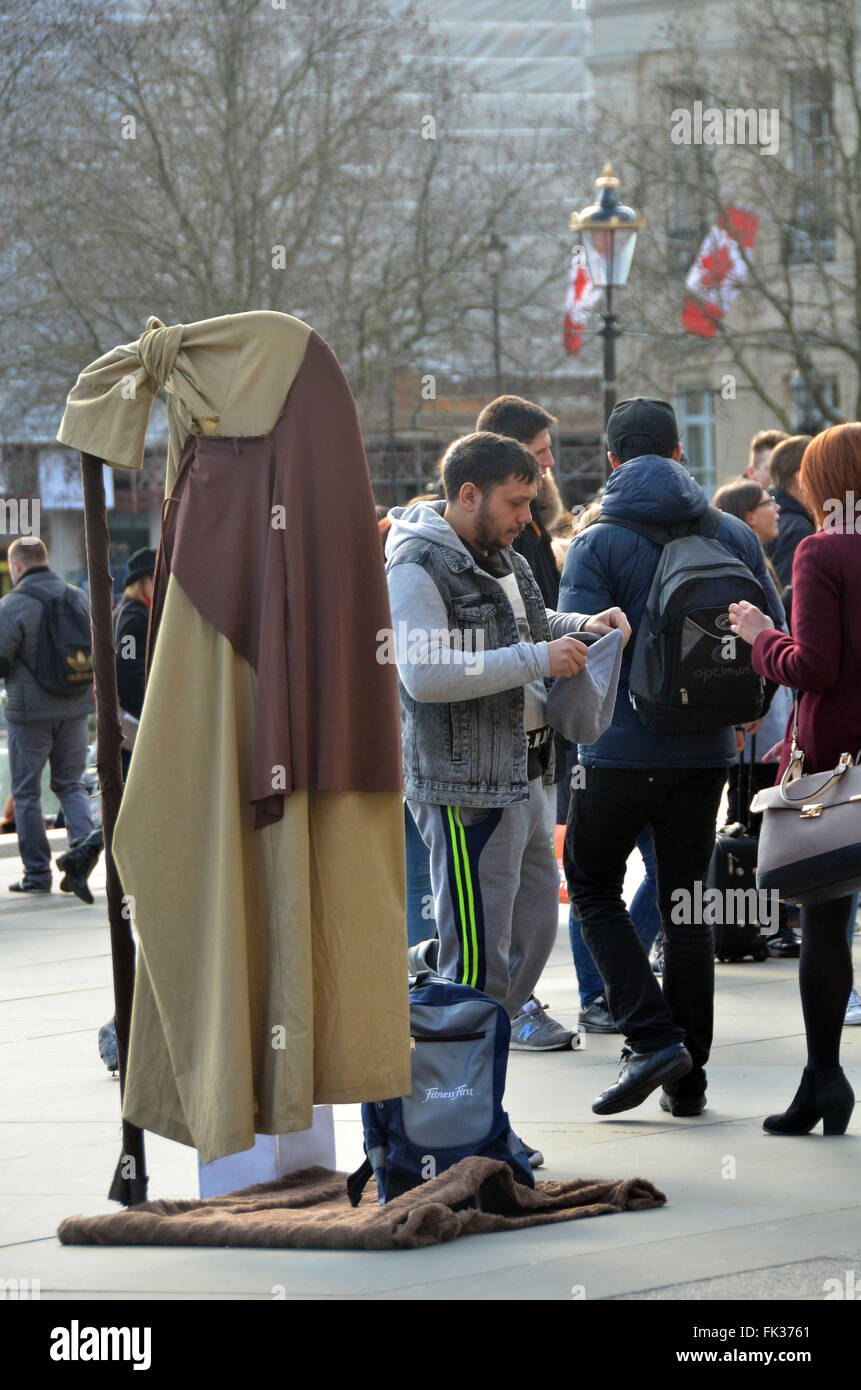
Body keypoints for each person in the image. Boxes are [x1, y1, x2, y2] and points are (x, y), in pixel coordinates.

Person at [559, 398, 785, 1118]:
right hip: (708, 747)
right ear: (681, 454)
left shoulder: (597, 541)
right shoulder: (729, 531)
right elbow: (769, 630)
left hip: (620, 748)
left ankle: (651, 1036)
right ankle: (689, 1080)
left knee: (592, 885)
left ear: (611, 460)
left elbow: (578, 653)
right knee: (686, 900)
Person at [385, 431, 630, 1084]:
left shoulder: (503, 553)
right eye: (517, 503)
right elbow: (424, 673)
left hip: (526, 778)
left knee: (522, 949)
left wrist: (580, 625)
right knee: (477, 968)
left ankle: (420, 986)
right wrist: (538, 658)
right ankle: (458, 1120)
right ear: (468, 495)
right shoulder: (415, 562)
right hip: (467, 791)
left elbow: (531, 624)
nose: (528, 517)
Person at [730, 422, 861, 1134]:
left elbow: (812, 668)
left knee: (824, 919)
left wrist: (759, 636)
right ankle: (819, 1085)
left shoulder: (822, 552)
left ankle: (823, 1078)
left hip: (837, 773)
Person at [711, 476, 797, 956]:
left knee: (760, 825)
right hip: (754, 723)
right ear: (746, 517)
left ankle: (769, 922)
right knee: (749, 820)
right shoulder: (741, 571)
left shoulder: (759, 563)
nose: (777, 509)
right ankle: (756, 923)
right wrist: (751, 713)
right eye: (767, 503)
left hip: (767, 717)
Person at [0, 537, 95, 893]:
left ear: (17, 566)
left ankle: (37, 875)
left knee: (26, 793)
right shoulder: (78, 597)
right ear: (46, 559)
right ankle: (81, 859)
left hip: (31, 714)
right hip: (76, 709)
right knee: (71, 785)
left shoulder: (12, 605)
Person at [476, 396, 564, 606]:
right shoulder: (485, 528)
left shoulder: (532, 513)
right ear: (509, 455)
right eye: (540, 452)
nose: (550, 461)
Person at [765, 434, 816, 589]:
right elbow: (787, 594)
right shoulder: (797, 529)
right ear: (800, 478)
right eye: (818, 470)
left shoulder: (770, 516)